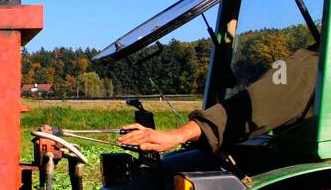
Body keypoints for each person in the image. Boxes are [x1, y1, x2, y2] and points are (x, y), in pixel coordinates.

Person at [118, 45, 319, 155]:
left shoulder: (309, 65)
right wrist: (181, 134)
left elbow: (267, 99)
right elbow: (270, 95)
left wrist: (180, 134)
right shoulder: (311, 63)